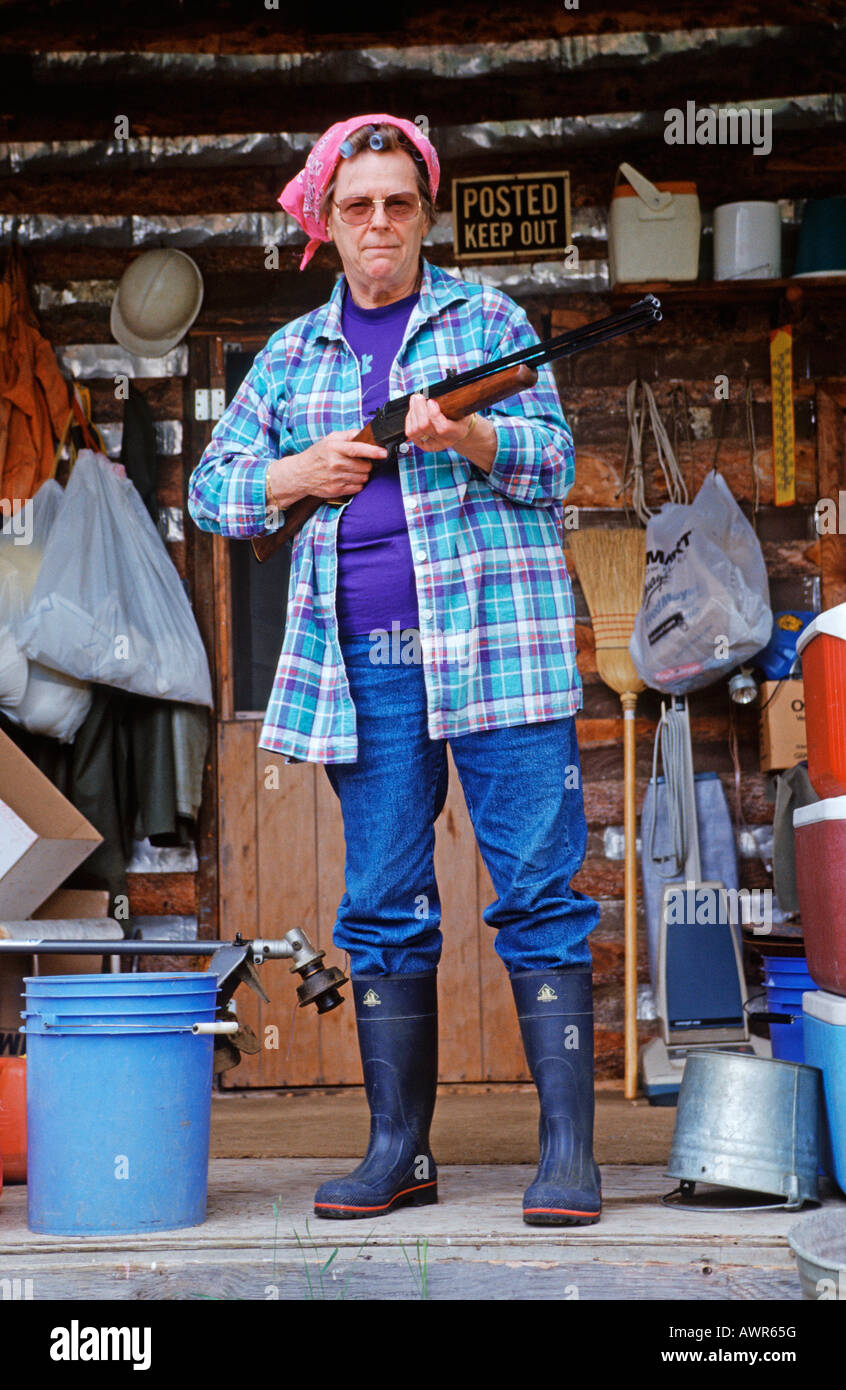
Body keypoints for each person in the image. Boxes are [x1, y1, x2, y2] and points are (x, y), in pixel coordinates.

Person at [188, 113, 602, 1227]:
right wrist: (299, 471)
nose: (380, 222)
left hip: (500, 656)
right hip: (363, 668)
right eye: (359, 204)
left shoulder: (490, 321)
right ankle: (398, 1151)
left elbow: (558, 462)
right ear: (331, 221)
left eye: (400, 203)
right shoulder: (291, 356)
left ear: (427, 216)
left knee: (541, 896)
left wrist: (471, 438)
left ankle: (567, 1152)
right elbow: (211, 491)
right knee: (381, 905)